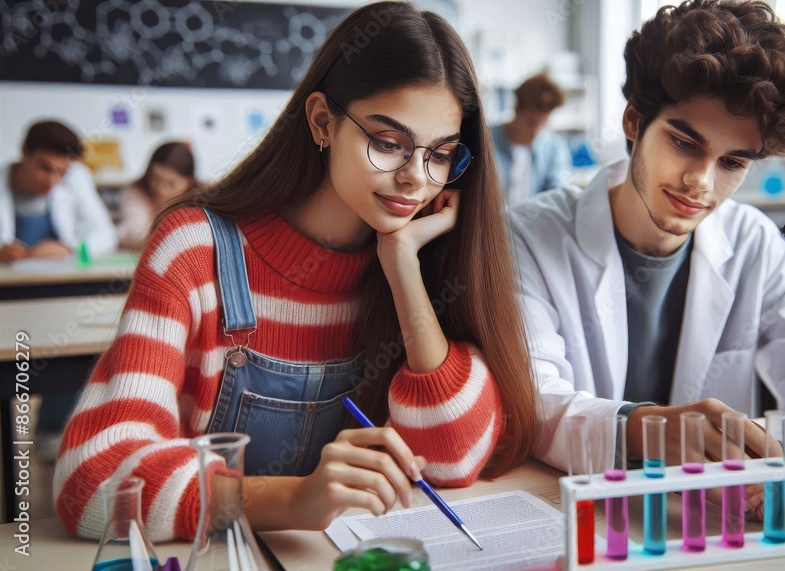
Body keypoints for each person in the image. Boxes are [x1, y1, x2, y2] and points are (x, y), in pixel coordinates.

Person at [55, 1, 537, 542]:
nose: (414, 179)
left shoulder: (423, 263)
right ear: (322, 122)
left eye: (440, 154)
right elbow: (94, 483)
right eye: (387, 143)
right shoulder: (194, 250)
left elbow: (452, 459)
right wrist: (293, 499)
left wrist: (403, 272)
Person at [510, 0, 785, 515]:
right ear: (633, 121)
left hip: (699, 521)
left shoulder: (752, 244)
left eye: (732, 162)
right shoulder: (527, 235)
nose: (701, 182)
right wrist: (644, 430)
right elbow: (532, 400)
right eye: (684, 142)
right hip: (577, 514)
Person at [0, 120, 117, 262]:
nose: (52, 181)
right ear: (25, 151)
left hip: (60, 278)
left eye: (62, 172)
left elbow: (107, 236)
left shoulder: (76, 178)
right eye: (45, 168)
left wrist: (69, 248)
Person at [490, 72, 573, 206]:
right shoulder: (486, 141)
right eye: (531, 123)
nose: (535, 133)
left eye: (543, 124)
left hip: (532, 224)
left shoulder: (553, 147)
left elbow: (558, 192)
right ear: (517, 109)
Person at [118, 141, 198, 250]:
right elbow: (135, 236)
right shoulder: (137, 193)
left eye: (171, 184)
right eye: (156, 178)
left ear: (189, 182)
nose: (160, 188)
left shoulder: (199, 200)